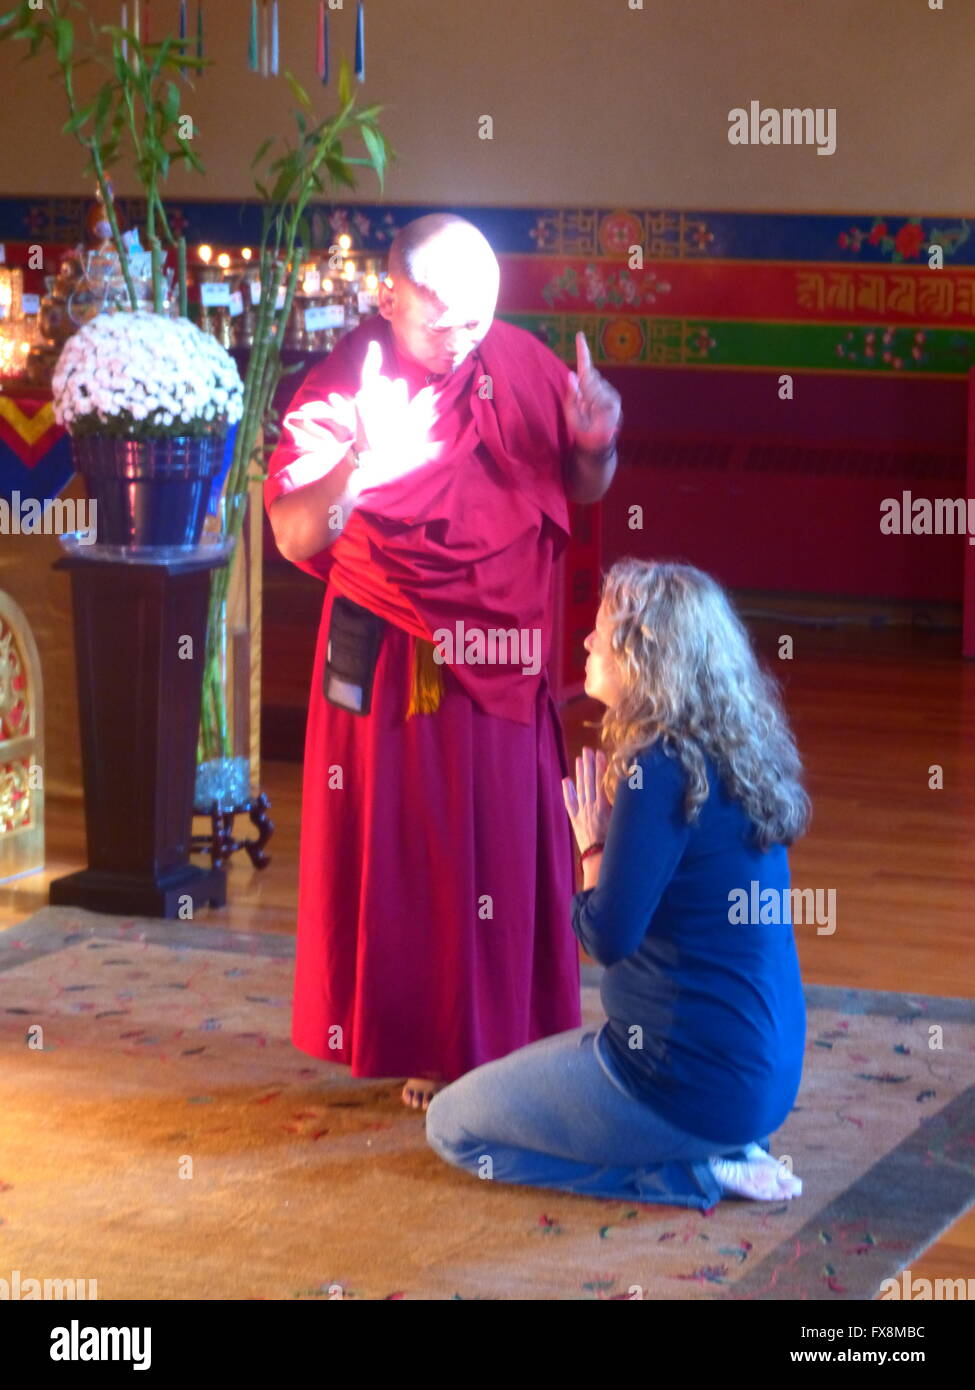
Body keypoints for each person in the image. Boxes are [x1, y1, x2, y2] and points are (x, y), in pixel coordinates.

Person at [264, 214, 622, 1109]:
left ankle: (506, 1029)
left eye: (476, 320)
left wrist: (594, 445)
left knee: (499, 843)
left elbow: (576, 487)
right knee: (407, 850)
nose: (462, 343)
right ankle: (421, 1034)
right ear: (389, 299)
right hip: (393, 657)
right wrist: (358, 467)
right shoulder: (343, 386)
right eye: (439, 323)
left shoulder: (518, 362)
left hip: (504, 652)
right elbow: (293, 530)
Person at [426, 559, 810, 1208]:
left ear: (641, 655)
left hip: (684, 1082)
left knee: (452, 1126)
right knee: (560, 1065)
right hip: (767, 1079)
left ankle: (685, 1171)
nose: (584, 643)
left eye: (599, 632)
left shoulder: (658, 766)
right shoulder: (738, 750)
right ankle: (721, 1146)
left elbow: (605, 938)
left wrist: (594, 848)